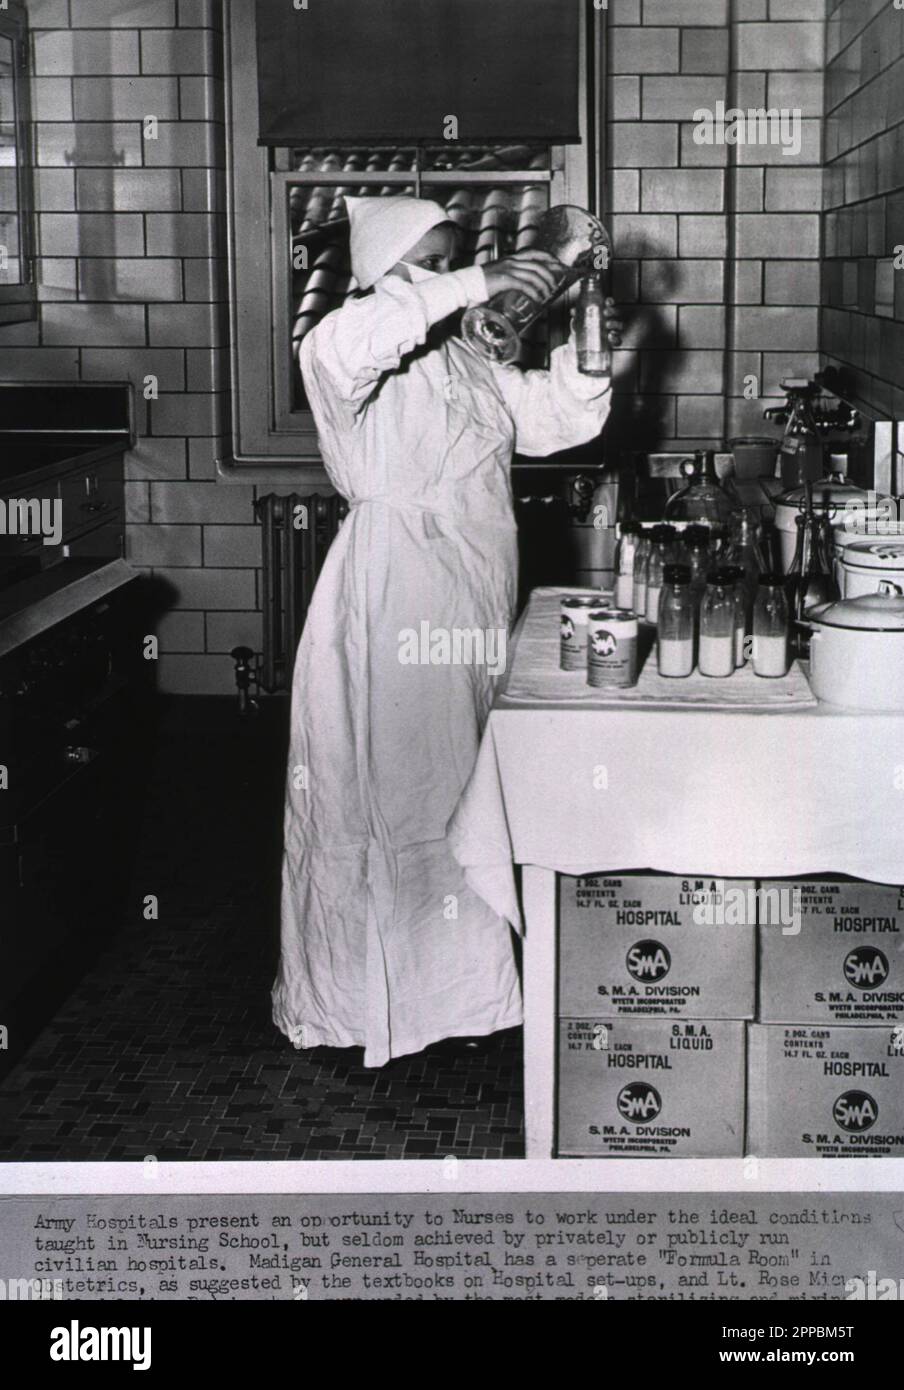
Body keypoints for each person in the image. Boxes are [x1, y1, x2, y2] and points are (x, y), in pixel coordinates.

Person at [273, 195, 619, 1067]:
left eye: (452, 260)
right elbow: (339, 344)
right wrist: (480, 277)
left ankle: (461, 997)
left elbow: (556, 420)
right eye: (426, 267)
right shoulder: (348, 350)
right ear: (380, 277)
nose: (448, 283)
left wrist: (588, 348)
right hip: (392, 604)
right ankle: (362, 1005)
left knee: (457, 794)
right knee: (391, 801)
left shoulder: (468, 359)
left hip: (470, 603)